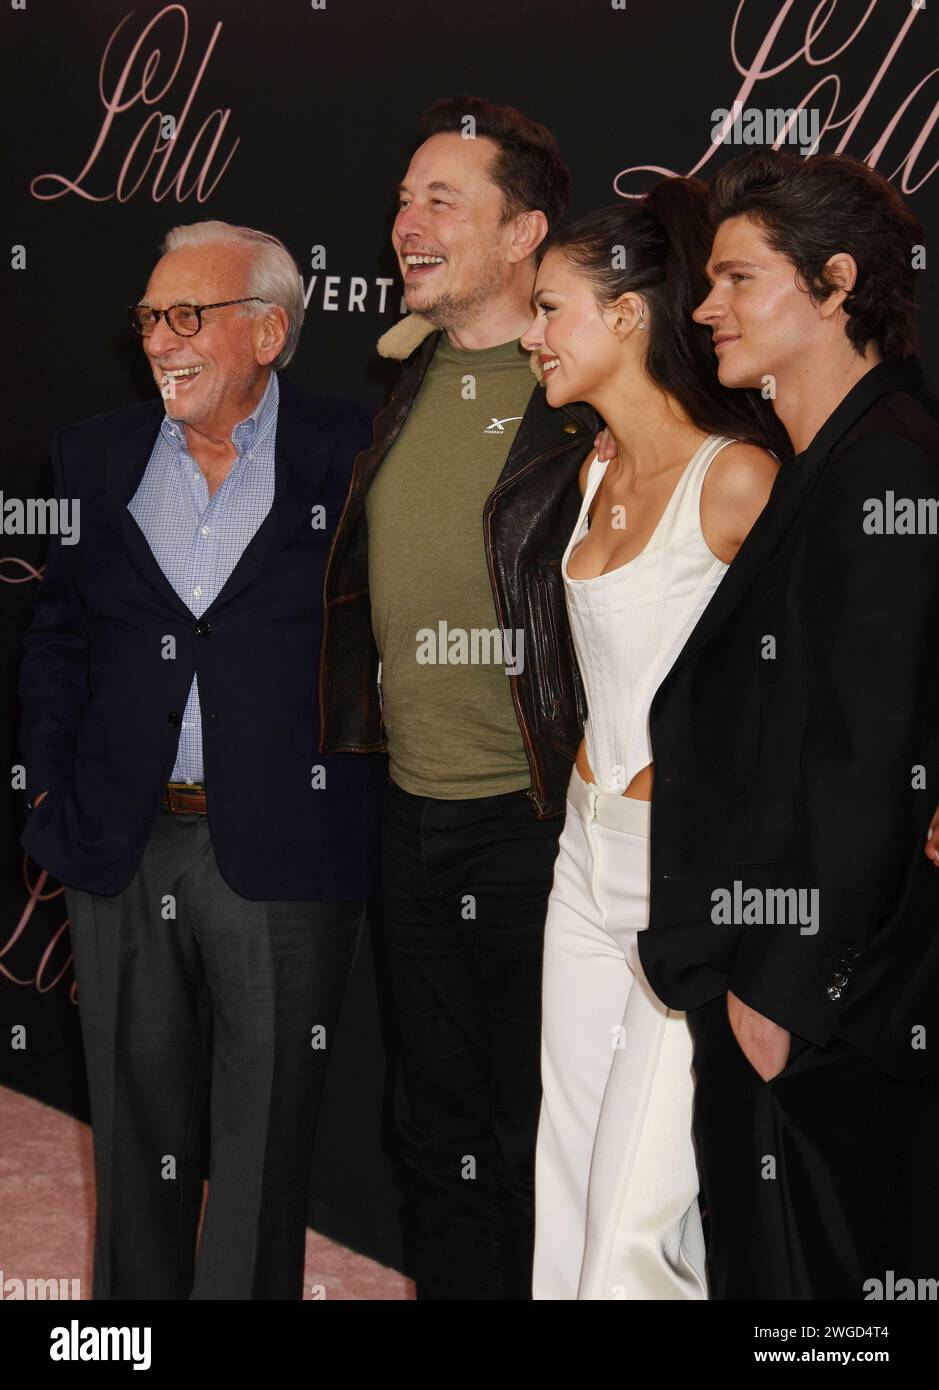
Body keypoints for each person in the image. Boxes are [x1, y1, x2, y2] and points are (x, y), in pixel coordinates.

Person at [18, 221, 385, 1300]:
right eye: (149, 318)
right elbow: (57, 641)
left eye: (191, 316)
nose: (160, 341)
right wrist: (52, 797)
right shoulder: (94, 454)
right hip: (126, 846)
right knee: (133, 1135)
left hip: (284, 847)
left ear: (269, 330)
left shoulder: (358, 449)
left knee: (266, 1150)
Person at [638, 149, 939, 1299]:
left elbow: (871, 759)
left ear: (836, 285)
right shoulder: (832, 458)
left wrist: (783, 990)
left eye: (739, 279)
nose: (706, 306)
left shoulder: (882, 469)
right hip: (784, 980)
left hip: (812, 1002)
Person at [319, 96, 603, 1300]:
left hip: (537, 820)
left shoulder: (580, 402)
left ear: (525, 231)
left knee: (544, 1131)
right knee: (436, 1129)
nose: (406, 221)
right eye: (402, 196)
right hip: (413, 809)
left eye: (444, 199)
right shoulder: (409, 380)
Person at [521, 181, 787, 1299]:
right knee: (569, 1170)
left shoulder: (734, 480)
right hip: (584, 860)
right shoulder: (587, 473)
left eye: (550, 308)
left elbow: (822, 686)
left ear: (628, 315)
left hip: (690, 875)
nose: (531, 334)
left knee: (635, 1217)